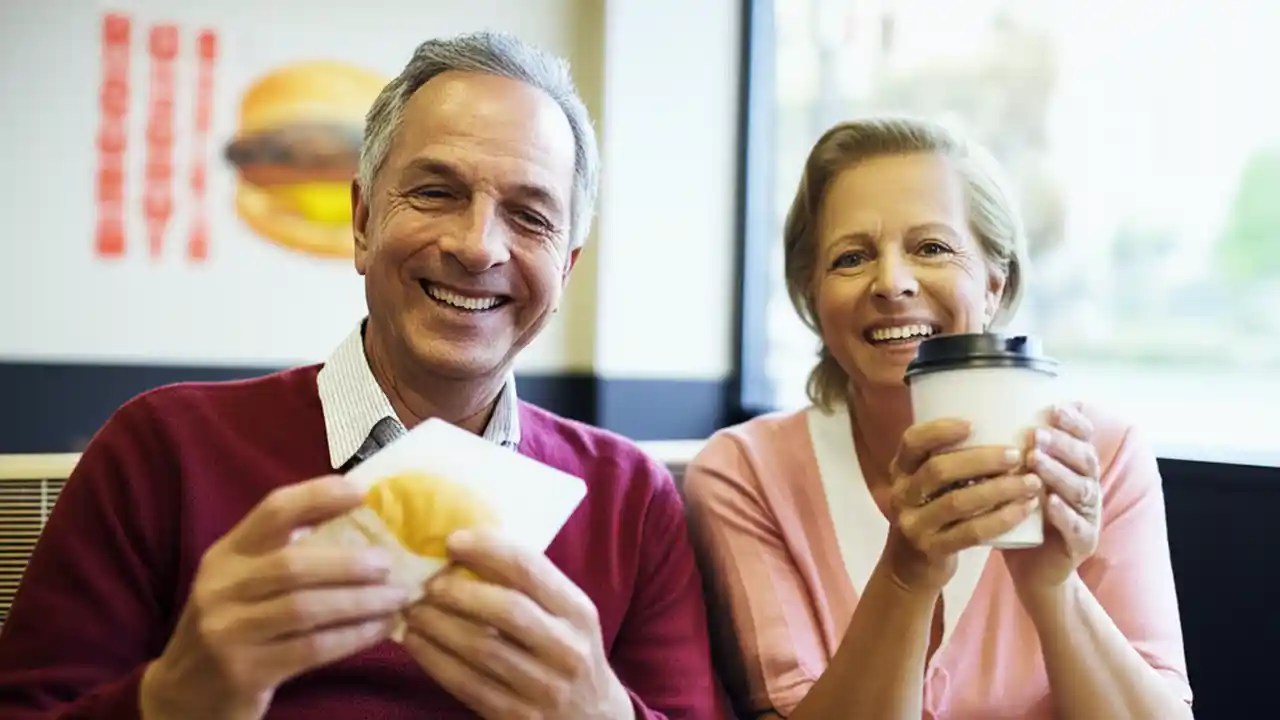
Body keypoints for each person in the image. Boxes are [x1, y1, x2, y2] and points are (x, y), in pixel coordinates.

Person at [0, 32, 725, 720]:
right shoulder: (163, 451)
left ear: (564, 270)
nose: (478, 247)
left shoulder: (630, 502)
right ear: (361, 221)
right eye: (437, 192)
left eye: (530, 215)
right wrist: (168, 699)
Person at [683, 117, 1193, 719]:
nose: (893, 283)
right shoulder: (746, 473)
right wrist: (906, 576)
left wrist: (1053, 587)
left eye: (932, 248)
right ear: (812, 297)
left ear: (995, 287)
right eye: (851, 257)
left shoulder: (1100, 456)